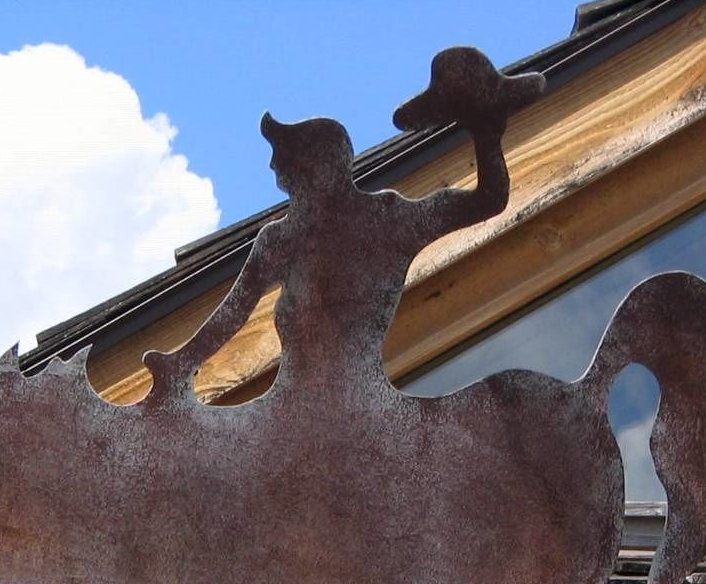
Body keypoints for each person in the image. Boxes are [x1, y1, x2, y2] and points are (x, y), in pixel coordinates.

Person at [142, 47, 544, 409]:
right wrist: (179, 363)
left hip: (343, 408)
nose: (272, 168)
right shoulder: (283, 239)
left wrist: (487, 133)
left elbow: (487, 201)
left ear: (314, 165)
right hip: (299, 403)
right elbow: (230, 317)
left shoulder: (386, 219)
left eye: (282, 158)